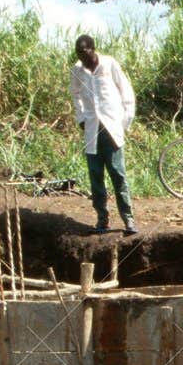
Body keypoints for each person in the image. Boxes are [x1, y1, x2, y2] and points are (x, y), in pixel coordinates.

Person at [70, 35, 137, 234]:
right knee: (95, 176)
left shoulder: (109, 64)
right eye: (78, 54)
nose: (82, 57)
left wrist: (124, 122)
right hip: (92, 129)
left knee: (118, 175)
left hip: (112, 128)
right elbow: (75, 94)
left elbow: (126, 91)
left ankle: (128, 219)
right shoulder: (77, 70)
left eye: (84, 52)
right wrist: (81, 117)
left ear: (92, 49)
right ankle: (102, 219)